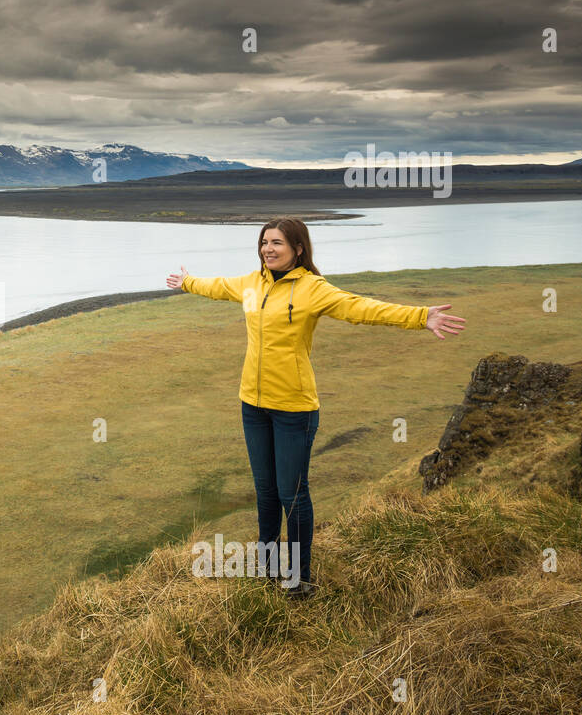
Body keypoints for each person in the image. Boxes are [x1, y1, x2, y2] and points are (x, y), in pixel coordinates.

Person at [164, 217, 466, 598]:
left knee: (292, 493)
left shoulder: (312, 289)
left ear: (298, 249)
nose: (268, 249)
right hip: (253, 406)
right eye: (264, 242)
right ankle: (269, 570)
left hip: (294, 410)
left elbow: (360, 308)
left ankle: (300, 579)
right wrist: (188, 281)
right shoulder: (251, 284)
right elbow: (217, 286)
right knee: (266, 492)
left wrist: (421, 316)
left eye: (276, 243)